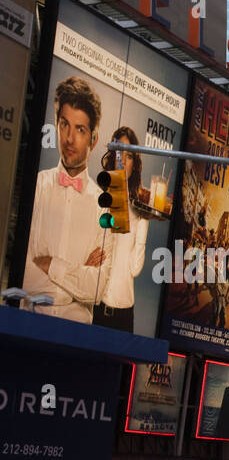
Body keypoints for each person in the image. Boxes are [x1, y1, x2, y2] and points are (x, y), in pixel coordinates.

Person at [24, 76, 108, 323]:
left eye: (80, 129)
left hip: (76, 338)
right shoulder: (37, 186)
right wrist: (76, 279)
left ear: (93, 140)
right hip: (28, 325)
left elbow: (97, 288)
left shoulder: (104, 206)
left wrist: (49, 264)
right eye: (64, 125)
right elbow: (24, 276)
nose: (69, 139)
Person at [94, 127, 149, 332]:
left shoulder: (137, 209)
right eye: (119, 154)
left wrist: (144, 222)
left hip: (123, 313)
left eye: (129, 156)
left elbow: (134, 269)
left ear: (134, 164)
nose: (123, 161)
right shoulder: (96, 198)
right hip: (94, 307)